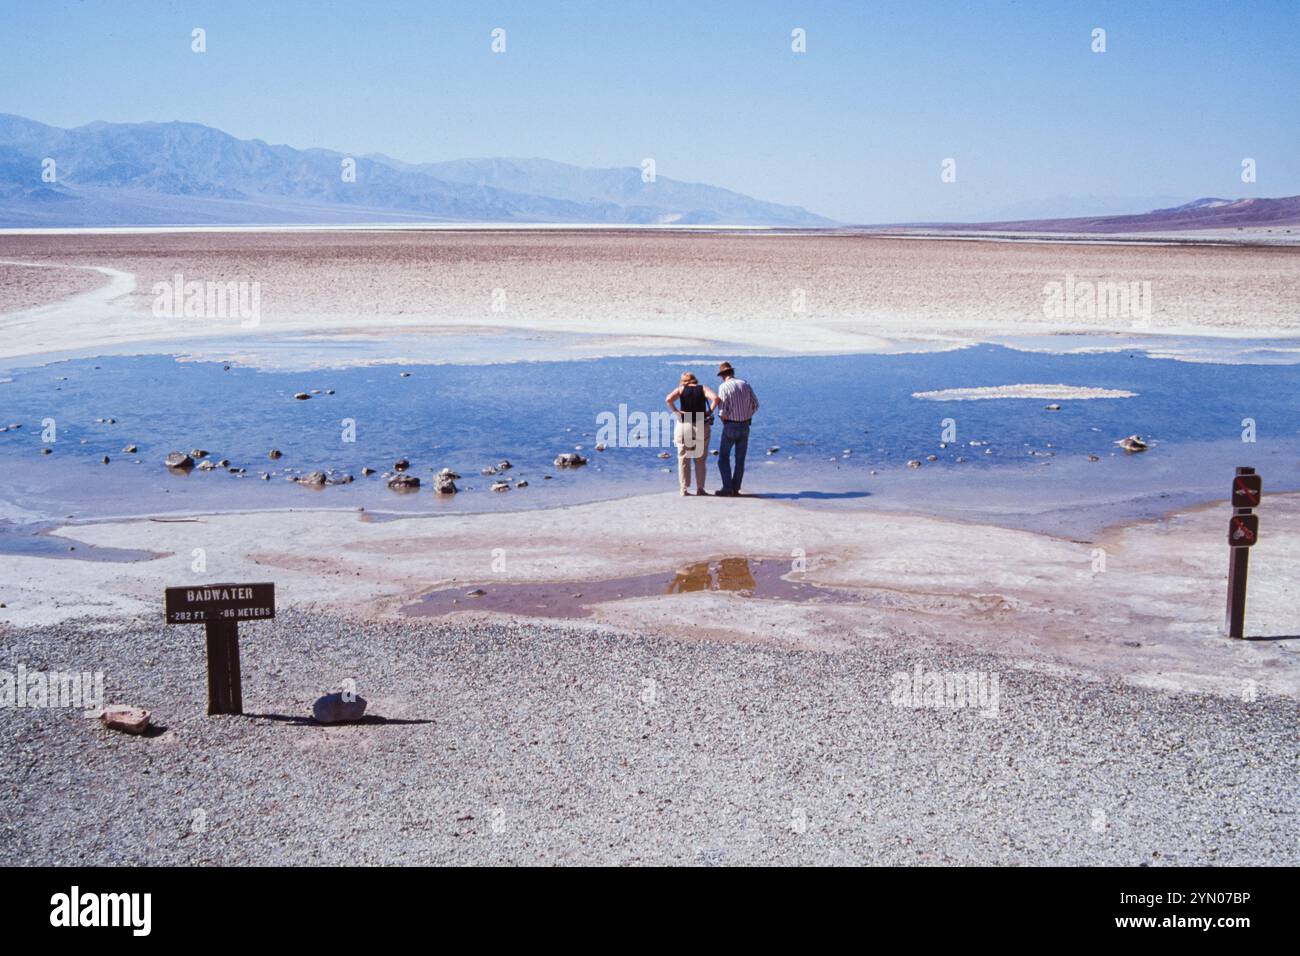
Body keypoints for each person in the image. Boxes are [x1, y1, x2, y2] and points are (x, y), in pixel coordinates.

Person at [664, 371, 718, 496]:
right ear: (695, 380)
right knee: (700, 459)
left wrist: (677, 411)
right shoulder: (702, 388)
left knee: (683, 458)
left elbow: (668, 399)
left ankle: (684, 489)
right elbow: (715, 398)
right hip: (700, 424)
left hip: (684, 424)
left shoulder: (681, 389)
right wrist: (709, 412)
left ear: (683, 381)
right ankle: (700, 488)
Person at [713, 361, 758, 496]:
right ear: (732, 372)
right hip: (745, 425)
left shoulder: (724, 387)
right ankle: (736, 488)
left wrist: (725, 421)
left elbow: (722, 411)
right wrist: (747, 415)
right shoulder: (745, 384)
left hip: (731, 425)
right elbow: (755, 404)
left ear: (722, 375)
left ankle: (727, 488)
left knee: (723, 458)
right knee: (740, 459)